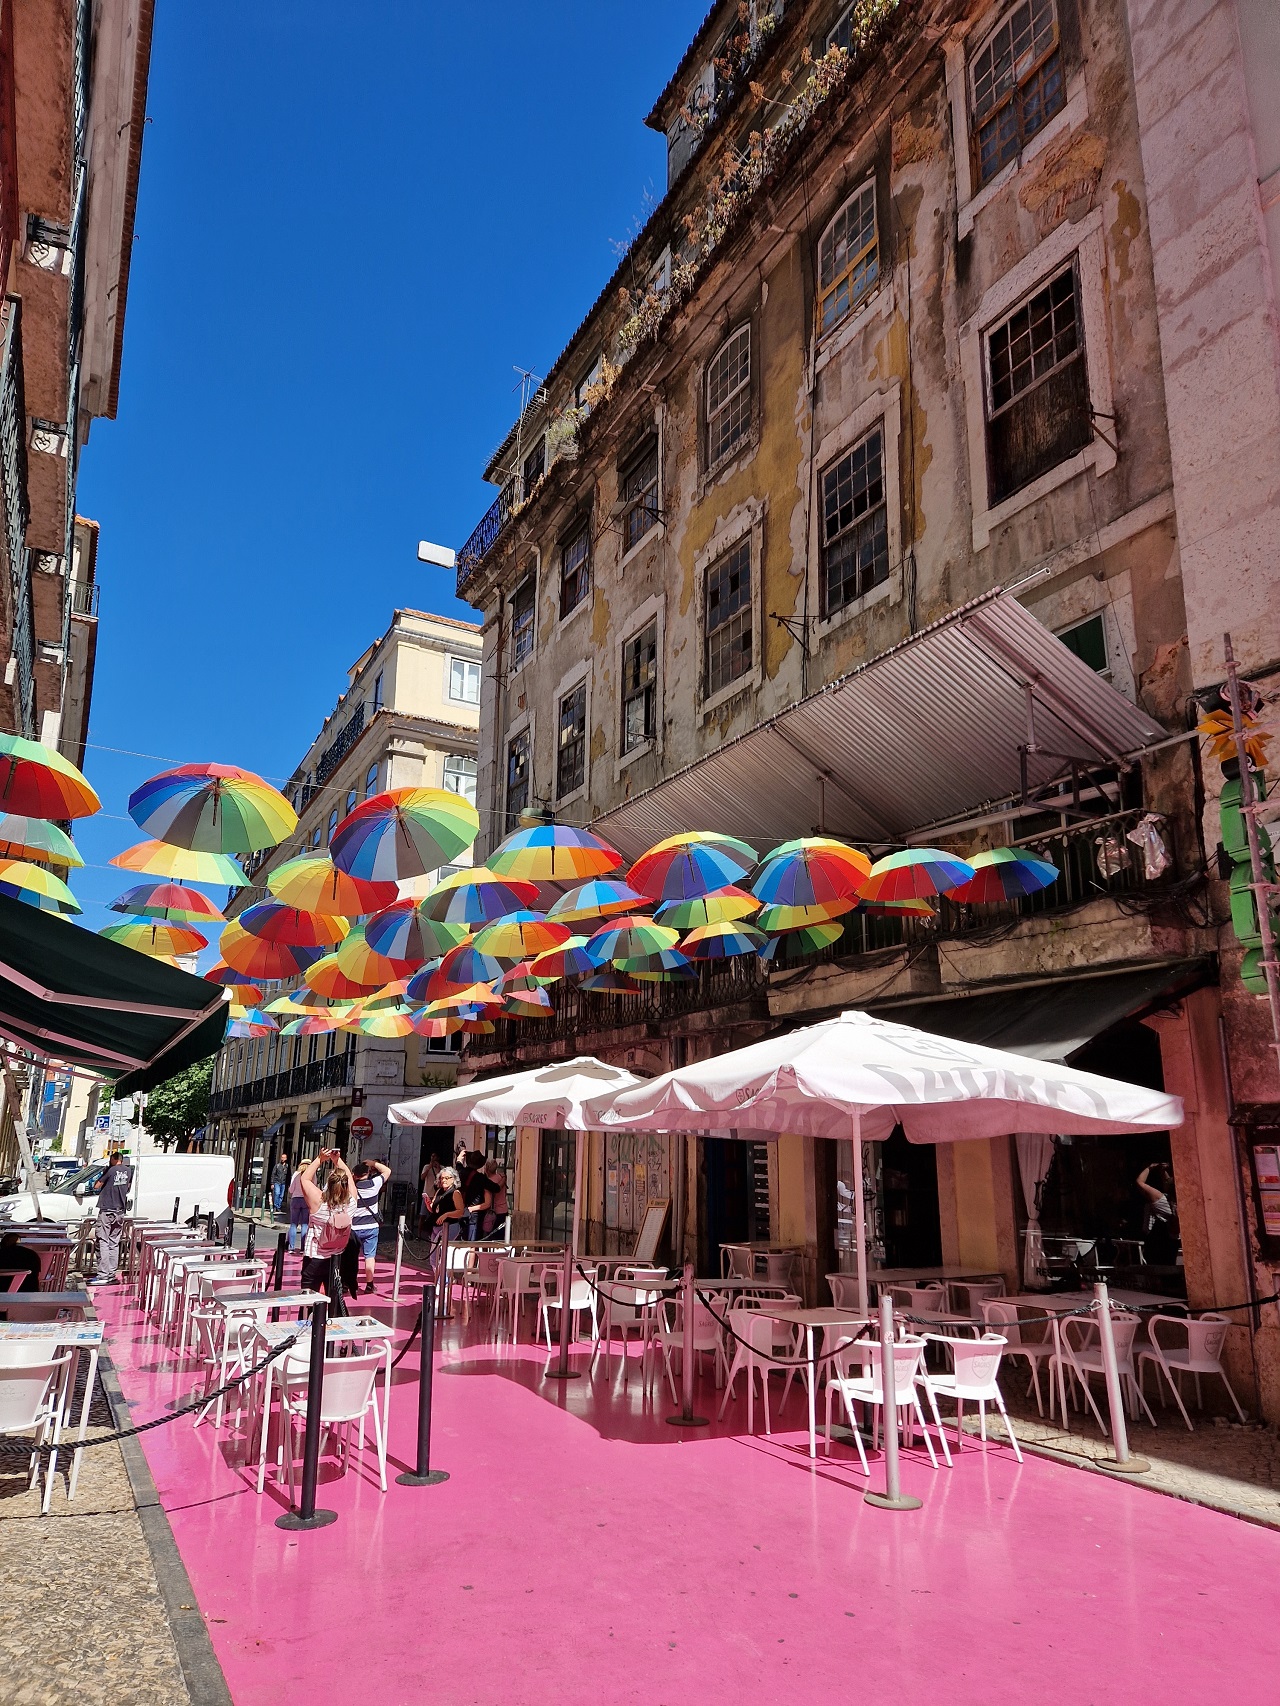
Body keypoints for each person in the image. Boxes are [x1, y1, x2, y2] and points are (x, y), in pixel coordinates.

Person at [299, 1147, 356, 1304]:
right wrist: (338, 1161)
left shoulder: (319, 1202)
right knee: (335, 1301)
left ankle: (308, 1325)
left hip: (315, 1256)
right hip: (338, 1257)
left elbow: (304, 1179)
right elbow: (350, 1178)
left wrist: (320, 1159)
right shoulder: (350, 1203)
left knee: (308, 1301)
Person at [87, 1148, 133, 1286]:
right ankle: (112, 1273)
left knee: (103, 1241)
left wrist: (104, 1174)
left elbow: (96, 1185)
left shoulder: (111, 1170)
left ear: (114, 1159)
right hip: (120, 1210)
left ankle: (103, 1274)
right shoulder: (129, 1171)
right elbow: (128, 1187)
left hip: (107, 1209)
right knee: (114, 1242)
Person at [349, 1158, 392, 1294]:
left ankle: (348, 1283)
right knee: (370, 1256)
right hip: (371, 1226)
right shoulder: (374, 1184)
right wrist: (373, 1163)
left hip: (354, 1227)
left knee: (351, 1257)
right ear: (367, 1173)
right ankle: (369, 1284)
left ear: (354, 1174)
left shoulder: (351, 1187)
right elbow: (387, 1171)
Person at [420, 1166, 466, 1273]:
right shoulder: (440, 1191)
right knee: (433, 1256)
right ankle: (439, 1278)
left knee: (439, 1253)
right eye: (442, 1178)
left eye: (447, 1178)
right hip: (436, 1226)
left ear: (453, 1179)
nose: (444, 1180)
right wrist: (428, 1203)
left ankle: (443, 1281)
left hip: (449, 1226)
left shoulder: (455, 1193)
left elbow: (460, 1211)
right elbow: (433, 1209)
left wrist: (446, 1215)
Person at [1137, 1161, 1179, 1265]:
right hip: (1173, 1242)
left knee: (1158, 1267)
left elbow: (1140, 1182)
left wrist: (1150, 1168)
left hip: (1159, 1242)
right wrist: (1163, 1170)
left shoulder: (1161, 1200)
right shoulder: (1176, 1203)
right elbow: (1168, 1183)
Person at [462, 1156, 495, 1241]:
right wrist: (503, 1179)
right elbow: (496, 1188)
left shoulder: (463, 1172)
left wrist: (459, 1160)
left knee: (465, 1238)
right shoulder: (481, 1178)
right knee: (473, 1241)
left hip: (463, 1208)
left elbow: (458, 1166)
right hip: (474, 1212)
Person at [480, 1159, 509, 1238]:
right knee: (501, 1237)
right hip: (504, 1209)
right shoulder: (501, 1177)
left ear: (487, 1169)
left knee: (490, 1236)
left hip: (493, 1212)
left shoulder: (489, 1182)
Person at [287, 1163, 309, 1252]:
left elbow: (291, 1189)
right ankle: (303, 1248)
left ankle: (291, 1247)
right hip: (306, 1199)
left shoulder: (296, 1174)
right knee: (305, 1224)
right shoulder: (312, 1174)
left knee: (293, 1224)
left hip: (296, 1199)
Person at [270, 1154, 289, 1221]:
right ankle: (276, 1206)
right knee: (277, 1193)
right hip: (277, 1182)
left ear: (286, 1158)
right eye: (282, 1157)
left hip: (283, 1183)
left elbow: (288, 1175)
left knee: (281, 1195)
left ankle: (279, 1206)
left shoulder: (287, 1166)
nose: (282, 1159)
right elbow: (273, 1174)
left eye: (284, 1157)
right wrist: (272, 1183)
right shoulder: (277, 1166)